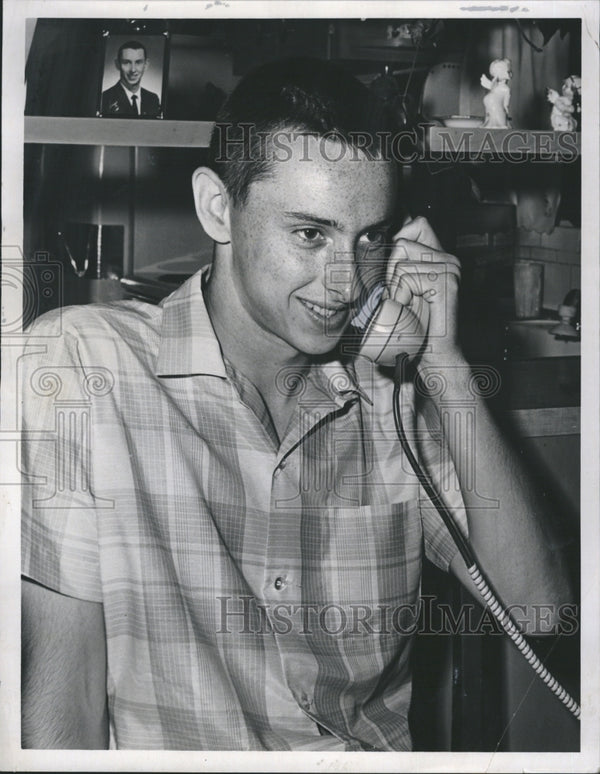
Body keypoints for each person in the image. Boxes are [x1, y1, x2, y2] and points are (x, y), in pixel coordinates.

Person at [21, 57, 572, 751]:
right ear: (218, 207)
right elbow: (61, 693)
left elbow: (539, 611)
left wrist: (445, 363)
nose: (345, 281)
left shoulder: (390, 394)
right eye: (310, 234)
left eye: (370, 237)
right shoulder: (87, 366)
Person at [101, 40, 161, 117]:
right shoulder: (105, 99)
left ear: (146, 65)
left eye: (138, 62)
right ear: (117, 64)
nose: (133, 70)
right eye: (126, 62)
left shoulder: (153, 99)